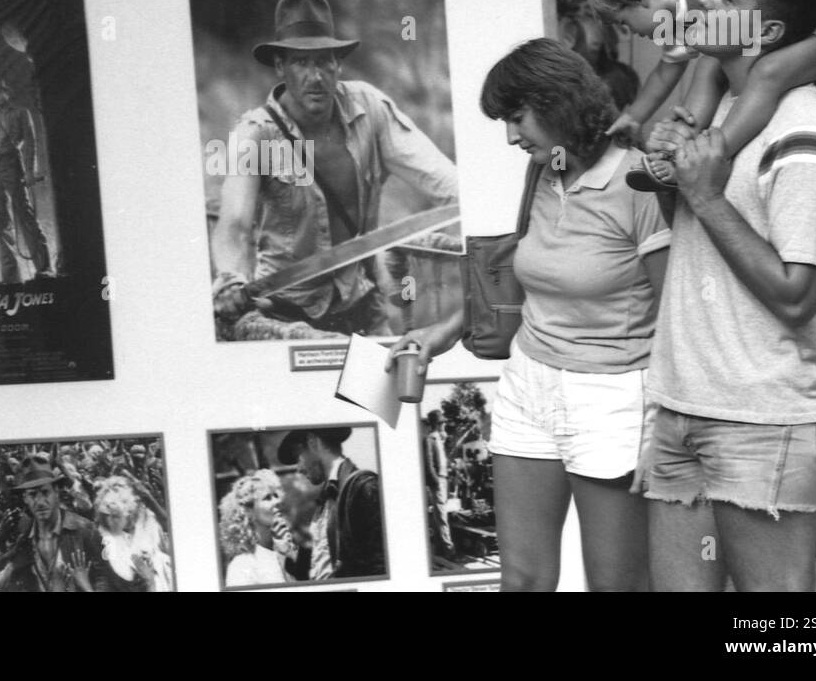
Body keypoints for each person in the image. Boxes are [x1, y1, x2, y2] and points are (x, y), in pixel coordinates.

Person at [390, 39, 670, 591]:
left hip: (611, 399)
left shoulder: (640, 183)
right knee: (520, 580)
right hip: (528, 387)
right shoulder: (544, 171)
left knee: (615, 585)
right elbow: (520, 271)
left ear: (560, 102)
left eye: (517, 118)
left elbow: (674, 313)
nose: (512, 136)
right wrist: (441, 333)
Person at [640, 0, 816, 592]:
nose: (702, 6)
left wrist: (704, 195)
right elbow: (694, 232)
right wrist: (673, 178)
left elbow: (797, 297)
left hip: (762, 418)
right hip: (682, 403)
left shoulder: (804, 133)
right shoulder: (718, 112)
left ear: (765, 31)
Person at [211, 0, 459, 336]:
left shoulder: (370, 109)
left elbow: (446, 183)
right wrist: (229, 279)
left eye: (324, 61)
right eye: (301, 62)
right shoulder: (255, 134)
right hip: (283, 309)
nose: (315, 76)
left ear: (337, 64)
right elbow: (234, 225)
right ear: (280, 66)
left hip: (359, 300)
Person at [587, 0, 816, 191]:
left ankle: (711, 156)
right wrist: (634, 117)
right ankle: (679, 148)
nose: (630, 32)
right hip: (774, 28)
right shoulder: (679, 29)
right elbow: (663, 73)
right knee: (707, 64)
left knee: (769, 71)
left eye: (624, 22)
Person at [278, 427, 385, 581]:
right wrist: (290, 555)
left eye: (298, 456)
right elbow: (320, 567)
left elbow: (380, 566)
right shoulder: (325, 499)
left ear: (313, 442)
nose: (299, 469)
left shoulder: (364, 487)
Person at [0, 77, 52, 283]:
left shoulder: (21, 113)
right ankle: (11, 277)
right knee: (2, 223)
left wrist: (30, 171)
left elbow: (30, 141)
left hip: (13, 164)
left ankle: (44, 268)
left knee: (25, 215)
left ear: (7, 93)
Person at [0, 462, 102, 592]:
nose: (40, 502)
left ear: (56, 492)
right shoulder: (23, 537)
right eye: (33, 495)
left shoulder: (84, 529)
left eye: (45, 492)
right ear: (25, 498)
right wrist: (0, 541)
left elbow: (103, 579)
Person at [91, 476, 173, 592]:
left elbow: (172, 532)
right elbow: (106, 579)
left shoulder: (148, 520)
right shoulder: (105, 539)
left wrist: (151, 500)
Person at [217, 469, 297, 588]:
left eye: (276, 495)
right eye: (267, 498)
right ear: (249, 511)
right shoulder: (242, 565)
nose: (277, 501)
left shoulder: (287, 551)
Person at [423, 409, 456, 560]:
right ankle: (449, 549)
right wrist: (436, 482)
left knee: (439, 515)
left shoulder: (439, 439)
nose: (444, 424)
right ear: (437, 424)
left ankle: (439, 547)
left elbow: (443, 459)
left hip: (444, 479)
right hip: (438, 481)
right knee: (442, 516)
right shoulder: (430, 439)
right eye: (442, 422)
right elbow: (428, 465)